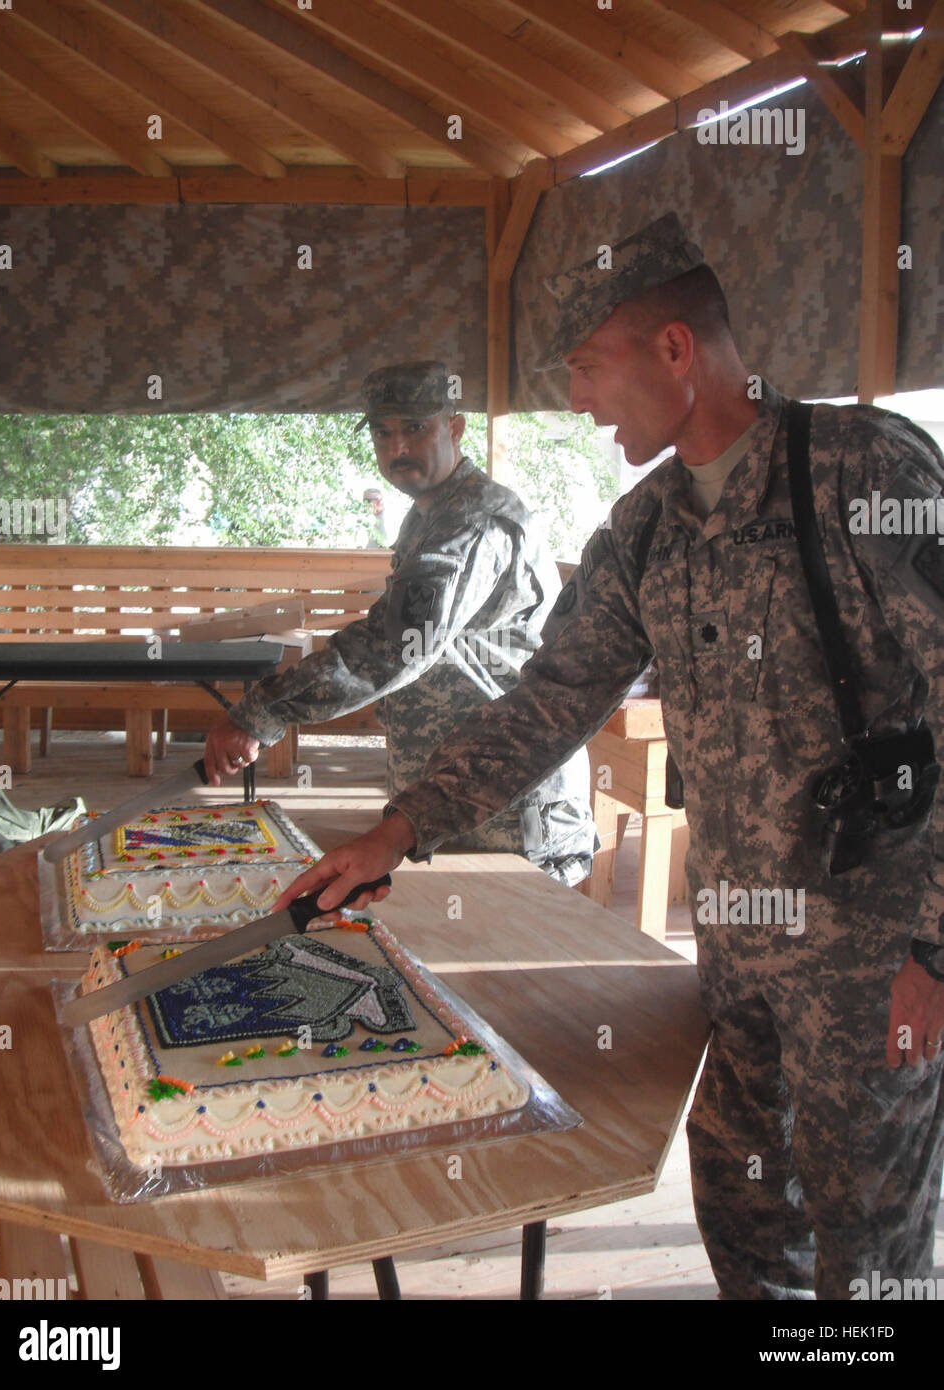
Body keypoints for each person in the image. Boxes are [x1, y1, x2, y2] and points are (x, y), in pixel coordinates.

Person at [286, 215, 944, 1301]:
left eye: (589, 368)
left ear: (676, 349)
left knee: (868, 1258)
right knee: (741, 1214)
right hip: (738, 965)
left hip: (876, 965)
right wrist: (396, 831)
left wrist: (936, 947)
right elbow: (547, 700)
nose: (580, 399)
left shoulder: (858, 471)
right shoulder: (647, 530)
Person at [205, 360, 595, 885]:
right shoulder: (432, 513)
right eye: (383, 432)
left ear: (454, 428)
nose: (398, 448)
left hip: (507, 806)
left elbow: (398, 647)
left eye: (416, 428)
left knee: (497, 962)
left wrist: (260, 712)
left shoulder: (471, 520)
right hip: (453, 797)